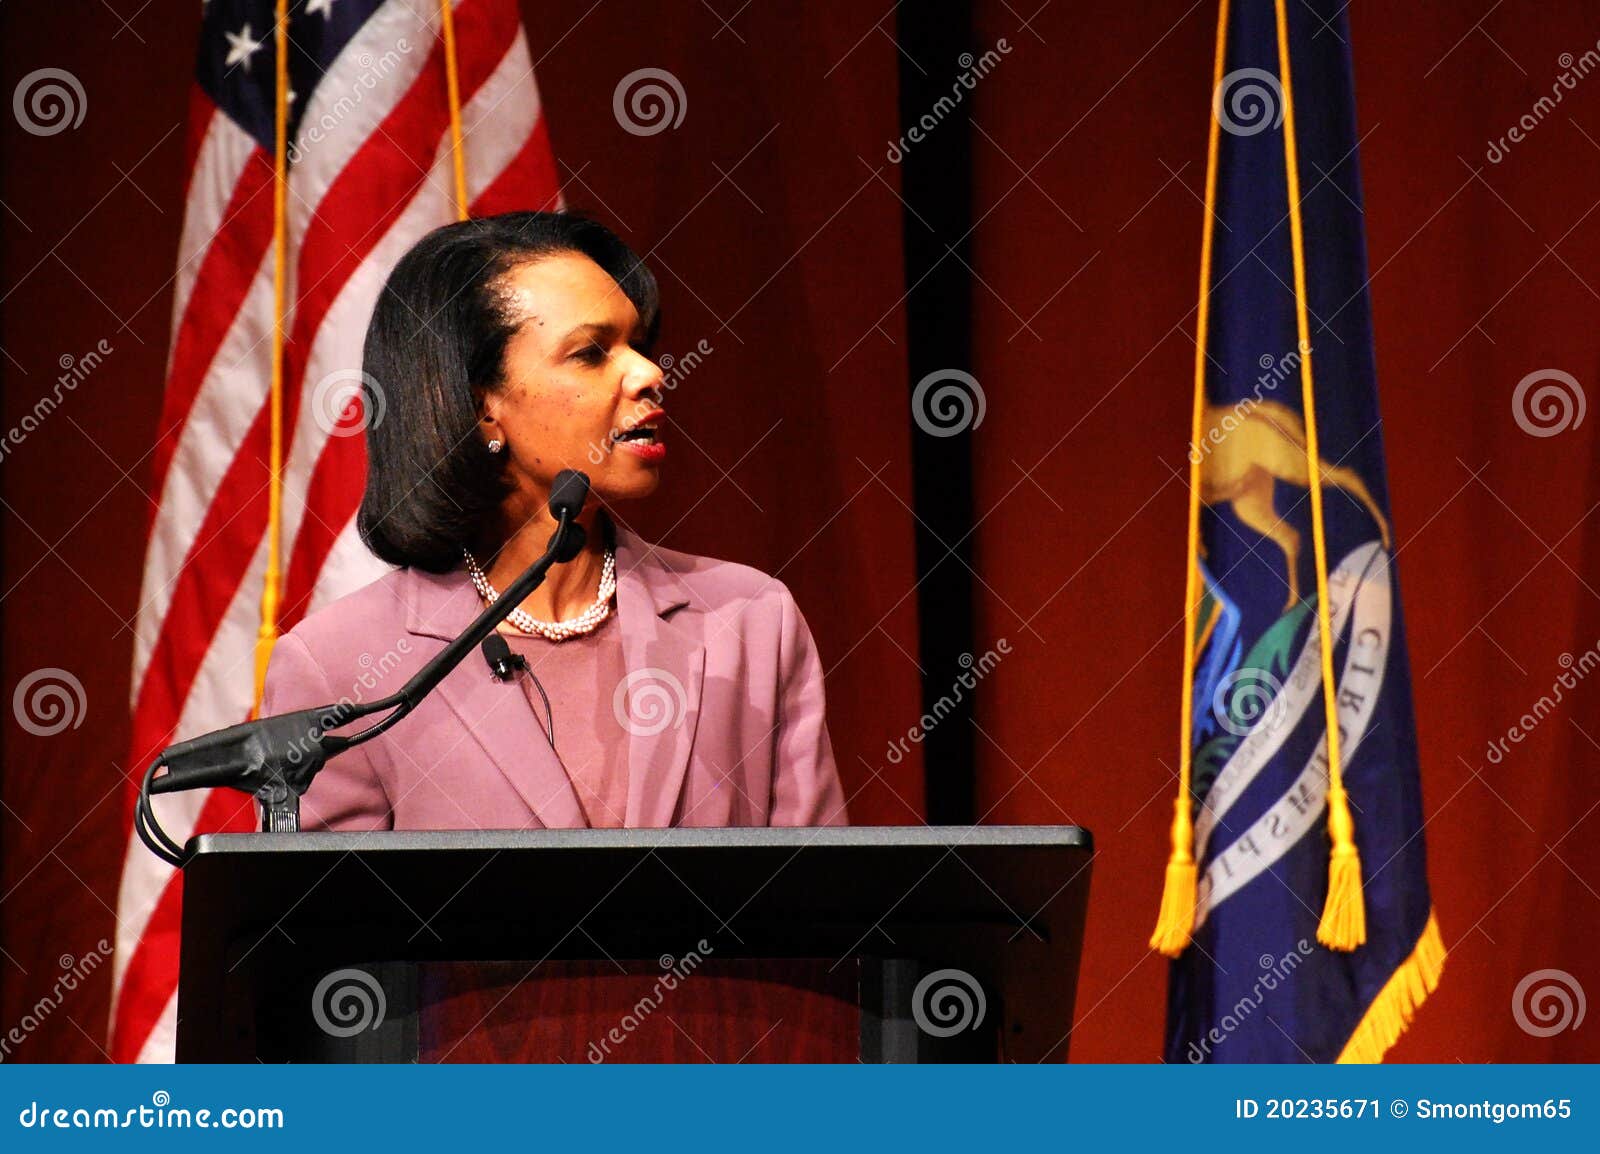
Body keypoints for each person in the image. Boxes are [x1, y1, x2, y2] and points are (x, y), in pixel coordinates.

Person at [258, 211, 848, 831]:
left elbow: (816, 910)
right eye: (591, 353)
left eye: (639, 345)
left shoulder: (751, 621)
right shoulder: (340, 666)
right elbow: (333, 925)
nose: (649, 374)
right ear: (482, 405)